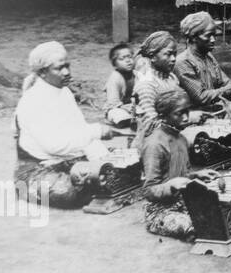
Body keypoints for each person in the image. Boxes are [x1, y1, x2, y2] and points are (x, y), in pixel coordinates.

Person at [14, 42, 124, 207]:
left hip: (69, 159)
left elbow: (78, 130)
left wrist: (102, 155)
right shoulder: (32, 101)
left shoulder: (64, 91)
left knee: (120, 168)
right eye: (59, 68)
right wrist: (96, 132)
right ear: (43, 72)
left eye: (67, 66)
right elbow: (54, 146)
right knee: (71, 193)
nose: (66, 72)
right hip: (38, 167)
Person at [139, 89, 201, 241]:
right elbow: (148, 190)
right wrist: (171, 185)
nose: (186, 117)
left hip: (184, 202)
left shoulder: (181, 139)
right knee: (194, 225)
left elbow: (178, 175)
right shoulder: (155, 144)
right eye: (180, 113)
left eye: (188, 111)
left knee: (218, 213)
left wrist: (196, 175)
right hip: (160, 211)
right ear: (163, 116)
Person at [174, 11, 231, 116]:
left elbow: (226, 86)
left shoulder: (208, 57)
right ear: (194, 37)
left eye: (214, 35)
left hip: (215, 114)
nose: (213, 40)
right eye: (208, 36)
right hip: (194, 119)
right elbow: (202, 97)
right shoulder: (183, 62)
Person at [133, 31, 186, 150]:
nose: (173, 59)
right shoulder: (146, 84)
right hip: (151, 144)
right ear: (152, 56)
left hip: (172, 137)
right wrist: (185, 119)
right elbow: (151, 123)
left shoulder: (172, 78)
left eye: (175, 54)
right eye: (168, 54)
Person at [104, 42, 137, 126]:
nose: (128, 61)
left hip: (134, 106)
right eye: (122, 59)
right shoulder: (115, 78)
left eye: (130, 57)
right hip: (118, 107)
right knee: (117, 115)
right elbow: (113, 102)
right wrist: (124, 107)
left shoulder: (137, 74)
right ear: (115, 64)